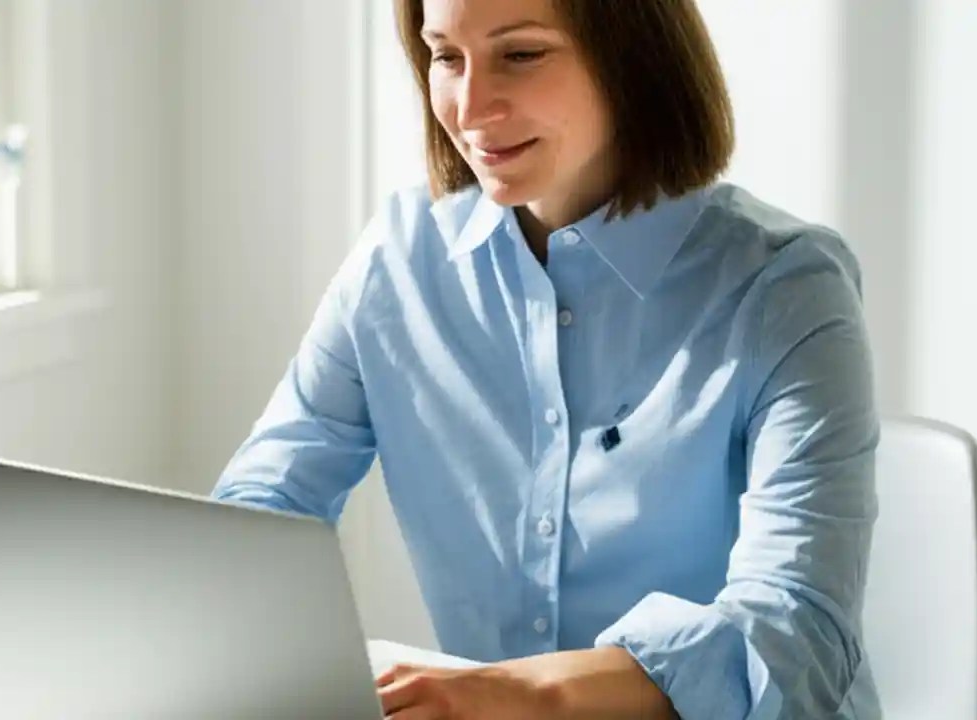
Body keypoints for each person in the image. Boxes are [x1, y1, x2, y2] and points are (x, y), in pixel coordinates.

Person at [212, 0, 880, 717]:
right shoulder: (400, 262)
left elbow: (794, 633)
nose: (469, 107)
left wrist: (520, 694)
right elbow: (263, 514)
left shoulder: (785, 288)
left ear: (634, 55)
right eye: (445, 56)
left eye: (521, 55)